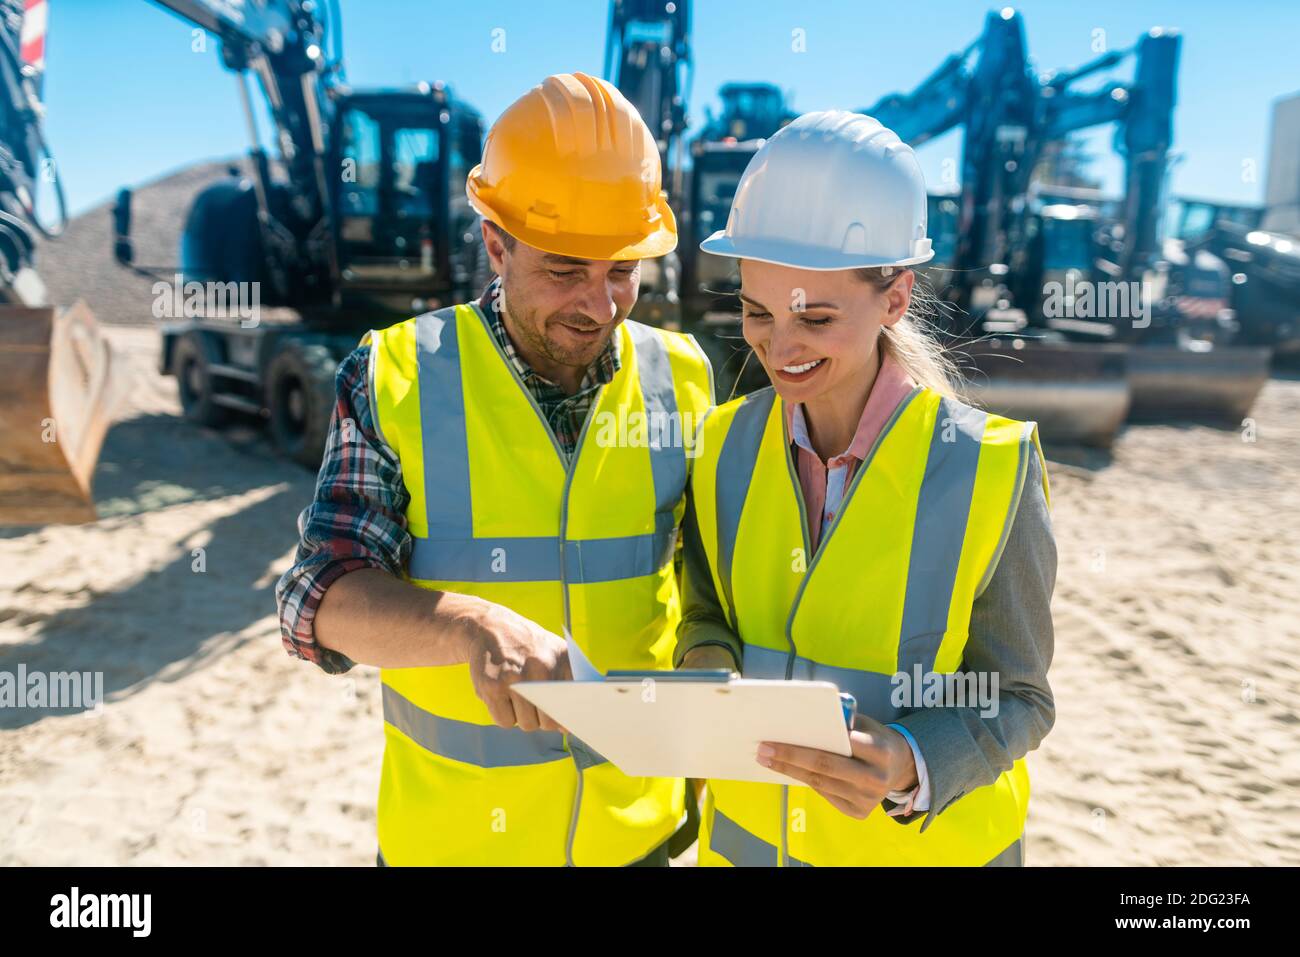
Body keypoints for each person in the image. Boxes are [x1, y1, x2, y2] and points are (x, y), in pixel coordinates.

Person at [275, 72, 714, 866]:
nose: (599, 303)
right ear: (496, 243)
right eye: (564, 269)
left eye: (622, 269)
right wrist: (469, 625)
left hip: (637, 837)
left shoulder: (683, 377)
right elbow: (316, 599)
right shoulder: (398, 372)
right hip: (456, 844)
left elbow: (709, 588)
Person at [675, 110, 1057, 866]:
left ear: (894, 297)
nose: (779, 349)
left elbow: (1019, 697)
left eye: (814, 317)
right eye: (755, 313)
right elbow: (703, 609)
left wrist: (912, 759)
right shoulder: (721, 446)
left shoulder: (988, 466)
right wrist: (704, 662)